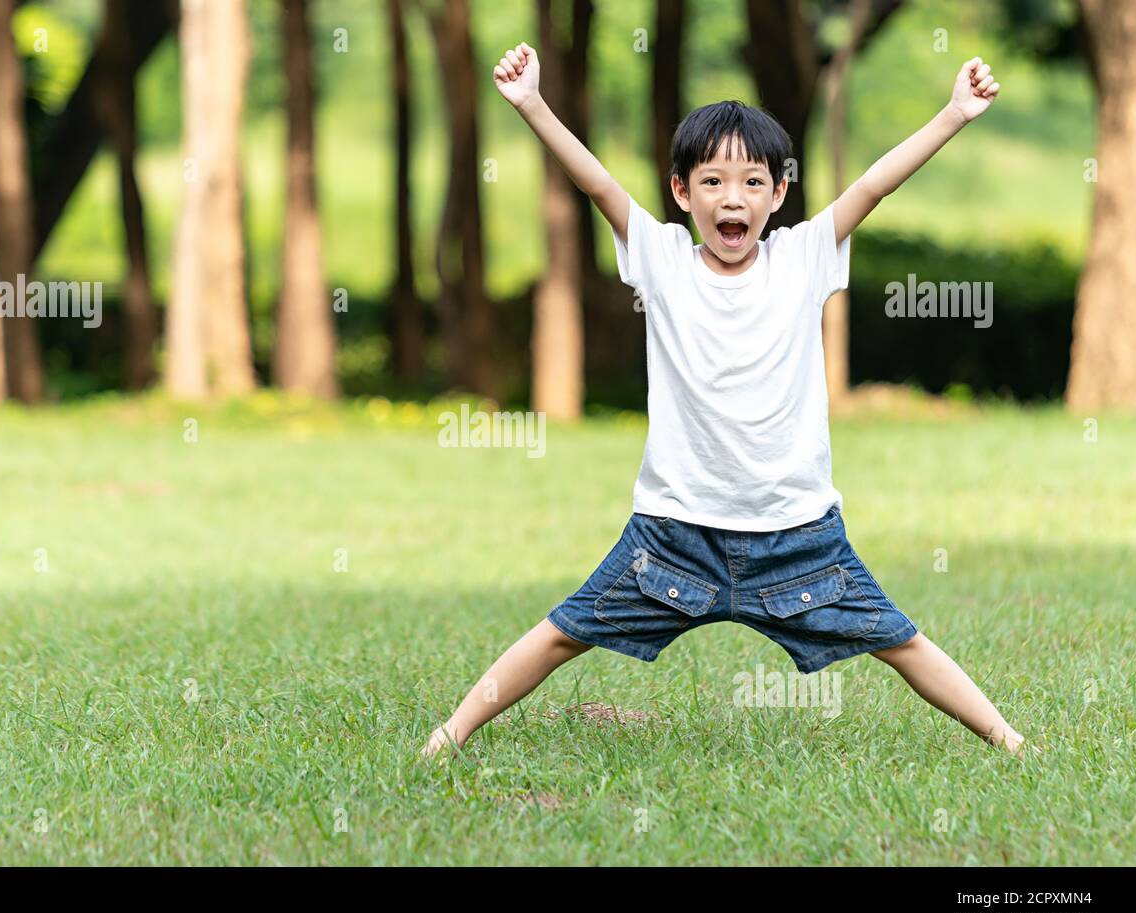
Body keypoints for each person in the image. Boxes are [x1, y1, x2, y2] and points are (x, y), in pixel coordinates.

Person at [423, 42, 1035, 759]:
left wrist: (954, 114)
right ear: (682, 192)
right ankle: (447, 737)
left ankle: (1009, 741)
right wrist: (532, 104)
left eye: (752, 181)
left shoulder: (804, 257)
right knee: (564, 631)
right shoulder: (662, 260)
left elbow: (873, 185)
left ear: (778, 193)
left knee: (898, 639)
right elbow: (596, 185)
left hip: (797, 536)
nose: (732, 198)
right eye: (712, 181)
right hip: (675, 535)